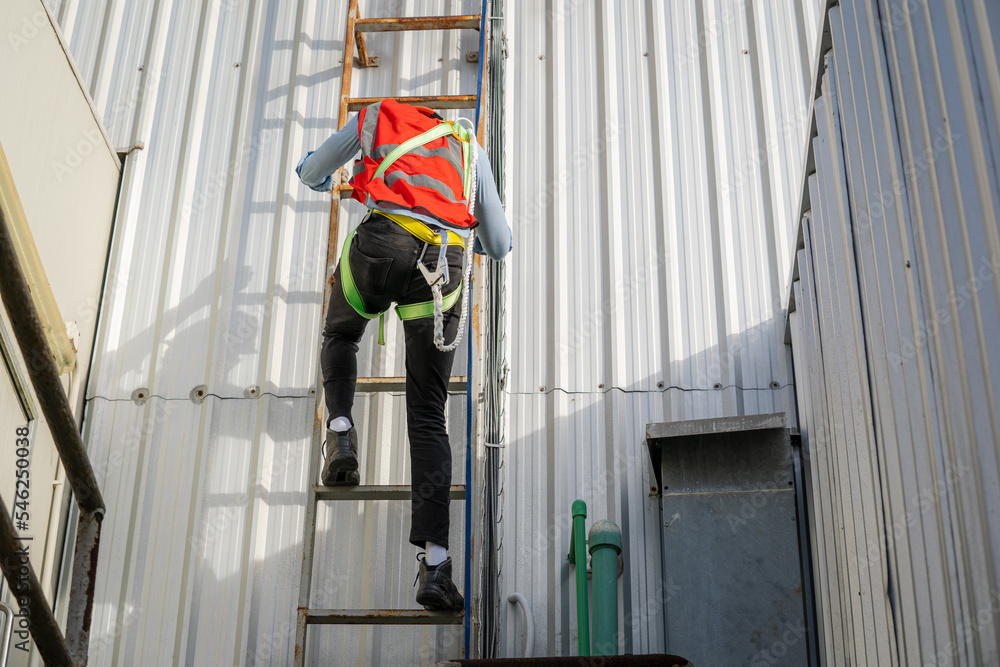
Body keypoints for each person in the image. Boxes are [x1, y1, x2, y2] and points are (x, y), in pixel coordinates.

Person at [296, 99, 511, 612]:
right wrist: (465, 242)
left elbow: (312, 170)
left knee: (343, 336)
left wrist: (322, 181)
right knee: (428, 416)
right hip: (442, 267)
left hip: (380, 246)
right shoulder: (468, 147)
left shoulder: (379, 117)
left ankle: (342, 436)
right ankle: (435, 567)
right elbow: (501, 243)